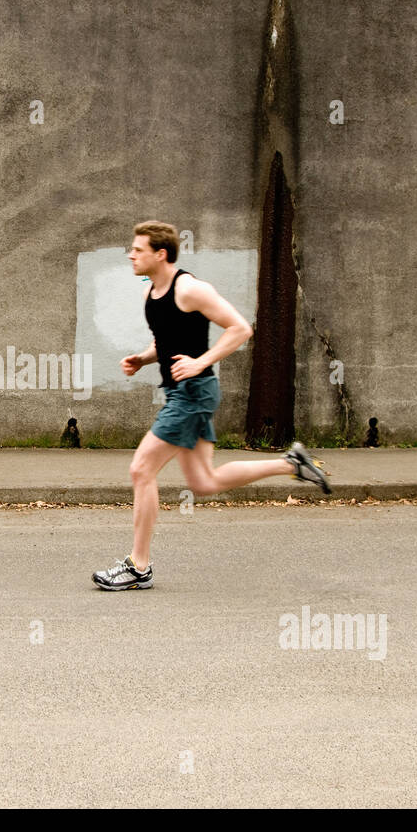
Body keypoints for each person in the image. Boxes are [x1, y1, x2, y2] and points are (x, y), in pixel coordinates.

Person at [93, 221, 331, 591]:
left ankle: (139, 566)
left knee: (141, 469)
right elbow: (170, 342)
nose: (131, 254)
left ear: (160, 254)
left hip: (192, 393)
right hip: (184, 393)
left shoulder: (190, 289)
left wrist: (201, 362)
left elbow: (240, 328)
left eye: (138, 249)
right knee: (204, 482)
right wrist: (143, 358)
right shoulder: (150, 296)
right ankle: (291, 464)